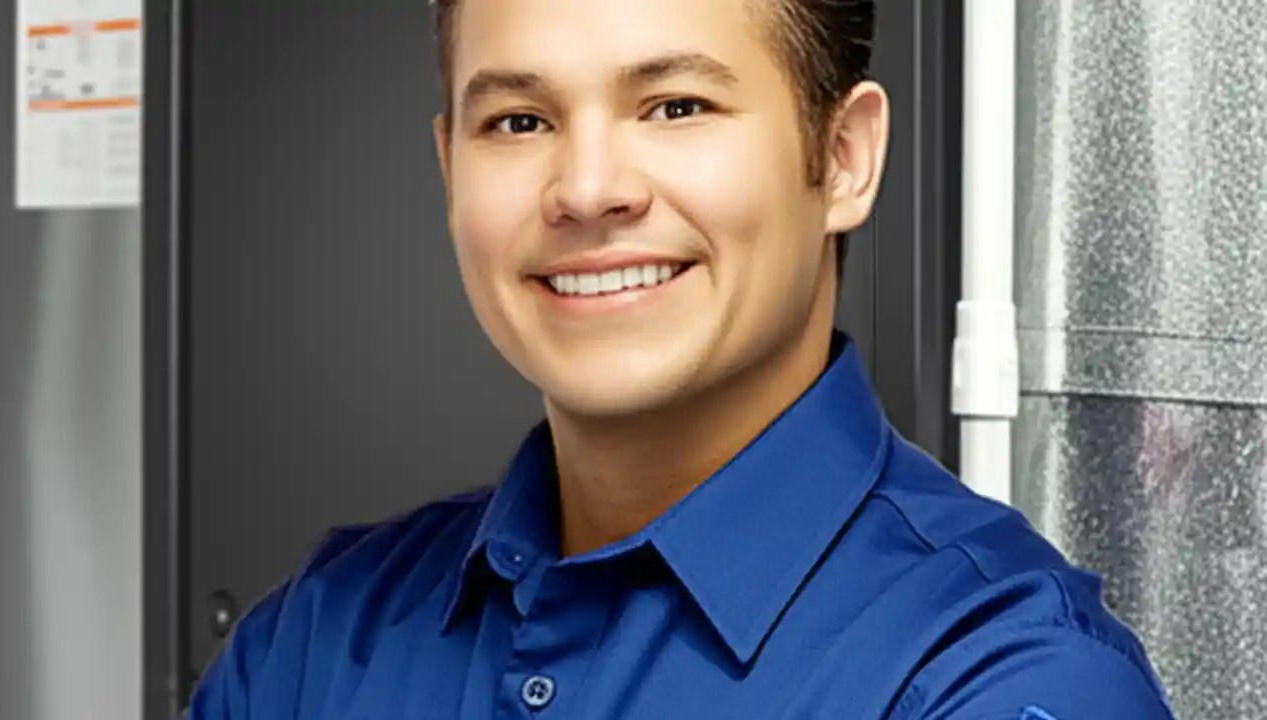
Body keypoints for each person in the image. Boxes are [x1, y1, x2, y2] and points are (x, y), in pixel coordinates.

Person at [188, 0, 1174, 717]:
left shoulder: (996, 678)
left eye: (675, 106)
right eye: (519, 121)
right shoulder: (315, 646)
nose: (586, 190)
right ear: (450, 171)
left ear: (842, 156)